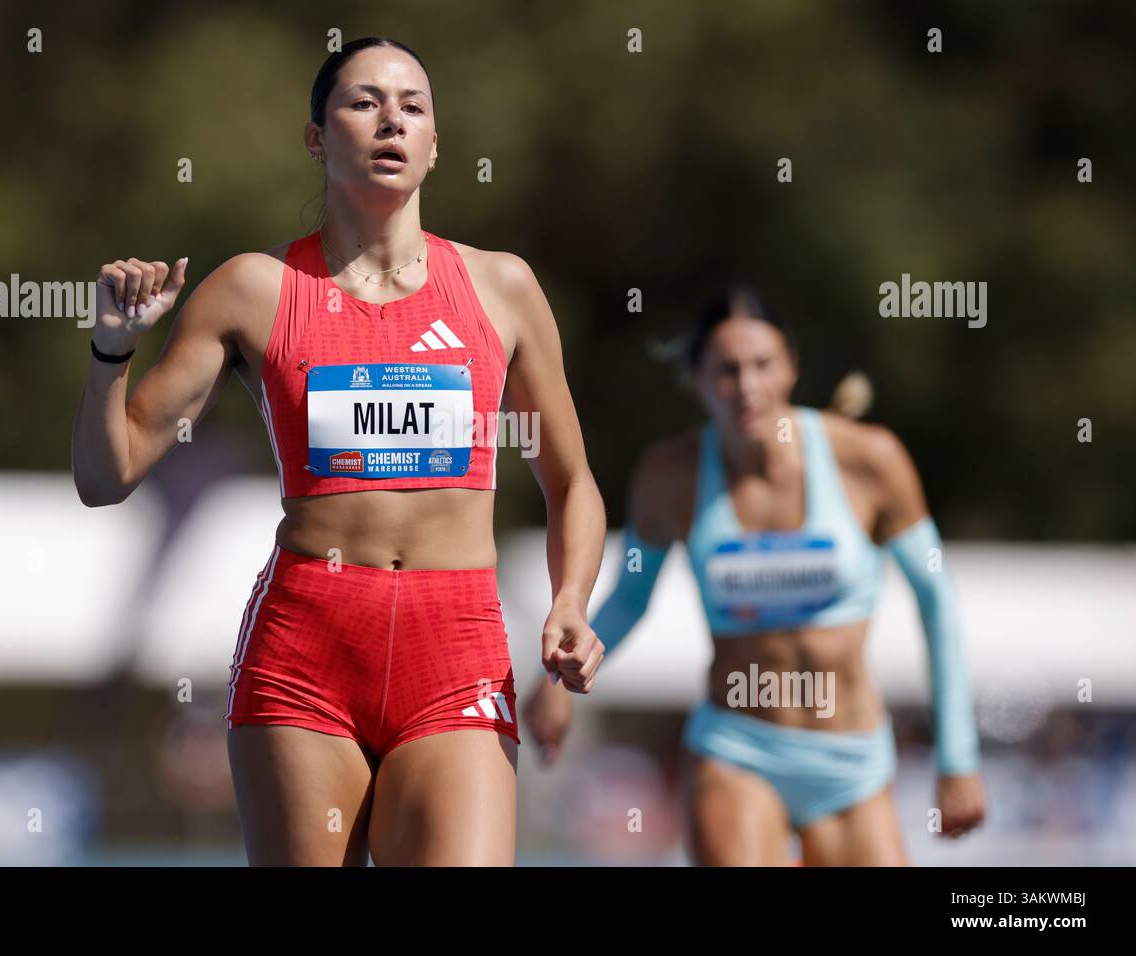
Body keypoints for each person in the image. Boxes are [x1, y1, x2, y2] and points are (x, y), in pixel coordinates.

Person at [72, 37, 606, 865]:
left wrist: (570, 600)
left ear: (435, 143)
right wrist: (112, 354)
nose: (391, 119)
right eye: (363, 102)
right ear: (317, 137)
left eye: (413, 106)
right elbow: (105, 477)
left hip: (456, 649)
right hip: (305, 655)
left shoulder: (503, 289)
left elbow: (571, 481)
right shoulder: (254, 289)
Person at [523, 287, 986, 865]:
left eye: (763, 365)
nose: (747, 386)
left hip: (853, 761)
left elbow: (936, 599)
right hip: (738, 750)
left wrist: (958, 757)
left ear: (791, 366)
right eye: (726, 370)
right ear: (695, 378)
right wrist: (557, 684)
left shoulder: (870, 461)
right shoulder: (671, 476)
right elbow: (631, 597)